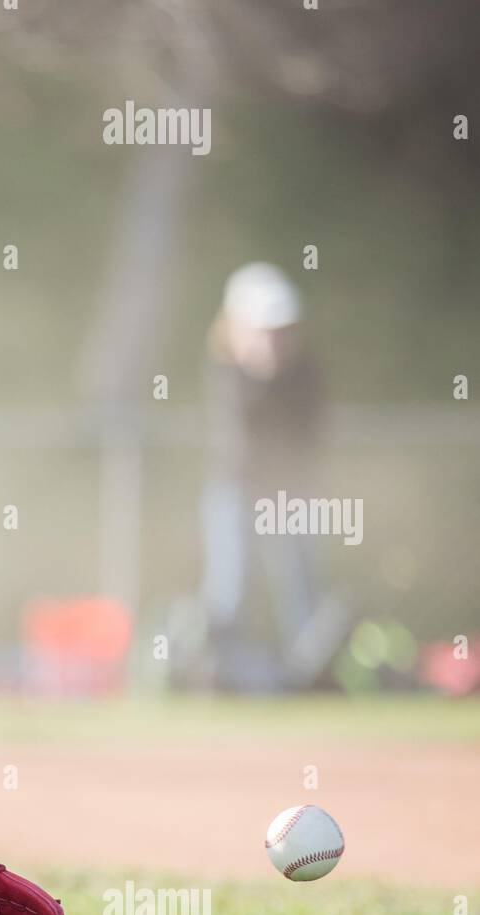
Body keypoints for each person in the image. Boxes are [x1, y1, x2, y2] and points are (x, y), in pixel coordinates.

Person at [195, 263, 347, 690]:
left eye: (280, 331)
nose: (274, 342)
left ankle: (311, 678)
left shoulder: (306, 373)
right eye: (263, 331)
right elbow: (241, 445)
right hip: (237, 494)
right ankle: (219, 676)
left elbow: (310, 438)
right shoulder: (227, 375)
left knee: (302, 586)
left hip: (291, 495)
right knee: (229, 587)